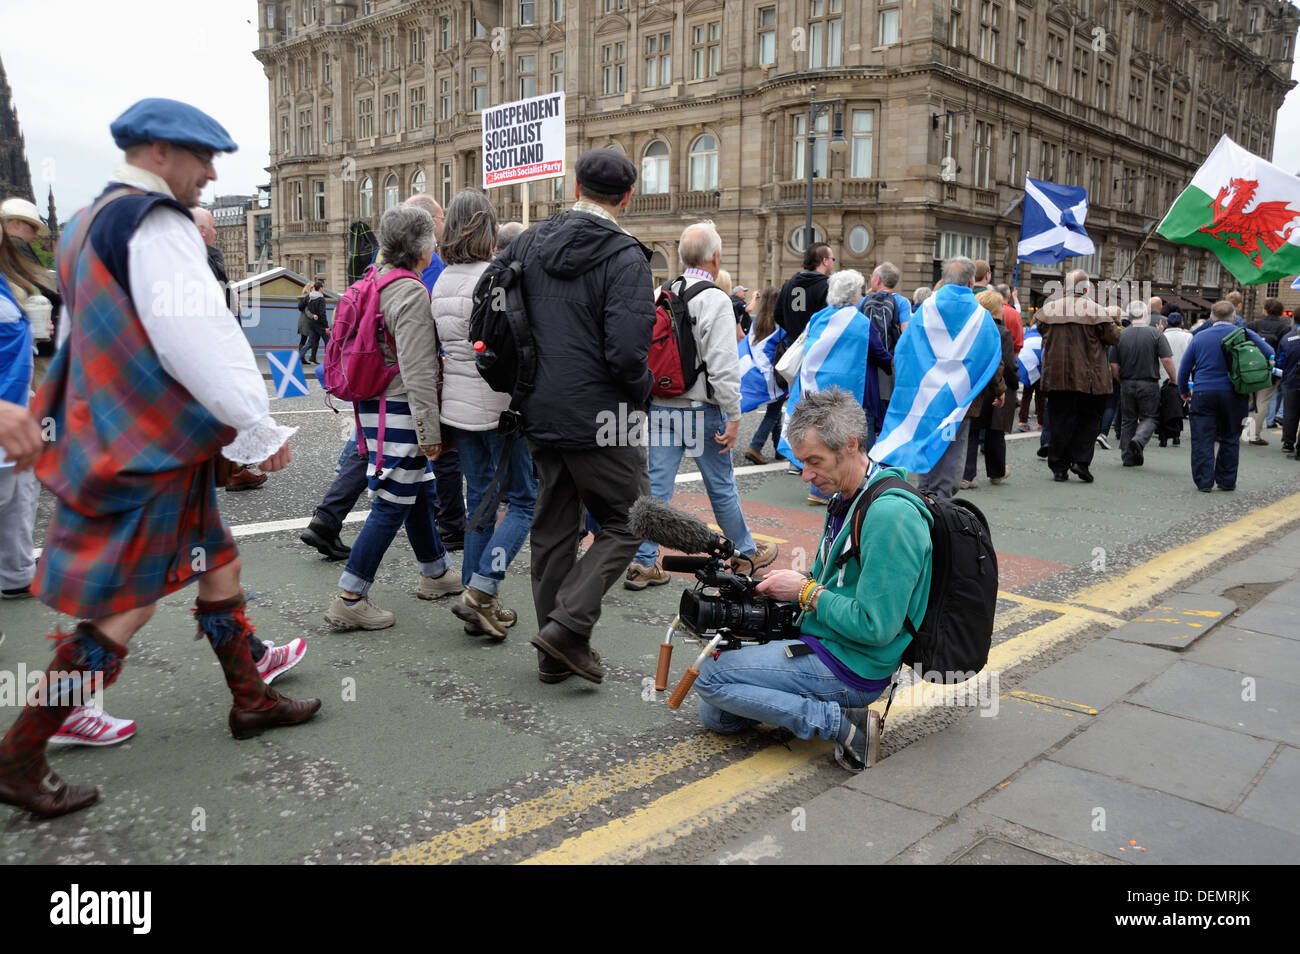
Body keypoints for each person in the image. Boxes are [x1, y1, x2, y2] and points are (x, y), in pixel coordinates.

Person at [0, 98, 319, 819]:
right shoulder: (157, 224)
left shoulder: (81, 223)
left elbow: (92, 338)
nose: (210, 173)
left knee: (220, 563)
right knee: (128, 608)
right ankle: (20, 752)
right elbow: (196, 337)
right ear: (156, 153)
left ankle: (251, 699)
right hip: (154, 443)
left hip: (125, 434)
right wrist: (257, 428)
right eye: (200, 157)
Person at [695, 387, 933, 772]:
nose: (806, 475)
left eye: (814, 461)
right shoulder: (849, 496)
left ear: (850, 445)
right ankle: (815, 704)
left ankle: (844, 723)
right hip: (826, 640)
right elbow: (835, 579)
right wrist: (792, 585)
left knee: (711, 678)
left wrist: (805, 591)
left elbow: (876, 626)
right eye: (801, 462)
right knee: (717, 715)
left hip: (855, 665)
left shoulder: (891, 517)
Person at [500, 147, 654, 684]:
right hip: (602, 414)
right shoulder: (627, 256)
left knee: (553, 529)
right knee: (630, 520)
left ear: (575, 186)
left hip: (537, 405)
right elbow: (628, 353)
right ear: (627, 197)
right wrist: (642, 395)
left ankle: (554, 653)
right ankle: (567, 628)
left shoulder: (526, 241)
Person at [323, 203, 461, 630]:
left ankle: (435, 571)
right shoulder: (412, 291)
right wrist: (430, 431)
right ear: (420, 247)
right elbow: (420, 370)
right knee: (392, 501)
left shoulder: (373, 281)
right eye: (432, 240)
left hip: (371, 404)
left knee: (414, 488)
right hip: (400, 407)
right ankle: (351, 594)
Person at [627, 221, 778, 584]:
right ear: (715, 257)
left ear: (681, 257)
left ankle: (644, 562)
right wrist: (734, 414)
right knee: (720, 485)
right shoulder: (715, 299)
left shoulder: (661, 292)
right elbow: (724, 365)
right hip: (701, 410)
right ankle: (744, 554)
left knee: (658, 491)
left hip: (663, 405)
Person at [432, 189, 535, 639]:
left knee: (480, 502)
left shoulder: (441, 281)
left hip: (457, 405)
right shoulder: (496, 279)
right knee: (524, 500)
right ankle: (483, 588)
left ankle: (476, 602)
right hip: (500, 408)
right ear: (488, 228)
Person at [782, 268, 892, 502]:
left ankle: (818, 491)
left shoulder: (818, 317)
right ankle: (856, 492)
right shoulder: (860, 322)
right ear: (854, 294)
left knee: (822, 441)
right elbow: (879, 353)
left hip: (818, 390)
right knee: (860, 442)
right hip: (854, 393)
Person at [913, 257, 1003, 499]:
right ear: (971, 282)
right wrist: (999, 389)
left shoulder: (926, 309)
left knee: (930, 438)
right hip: (962, 393)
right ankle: (941, 495)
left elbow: (908, 348)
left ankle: (925, 489)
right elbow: (991, 356)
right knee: (953, 444)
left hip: (929, 390)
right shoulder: (980, 314)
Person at [404, 193, 464, 550]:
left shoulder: (379, 270)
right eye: (439, 219)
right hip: (433, 373)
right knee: (441, 451)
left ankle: (330, 515)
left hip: (393, 379)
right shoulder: (435, 270)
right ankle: (451, 522)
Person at [1179, 300, 1274, 492]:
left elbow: (1184, 369)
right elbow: (1270, 353)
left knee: (1202, 438)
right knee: (1230, 437)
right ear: (1234, 317)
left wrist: (1183, 391)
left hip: (1204, 392)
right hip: (1235, 393)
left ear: (1211, 318)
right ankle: (1226, 480)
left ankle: (1204, 482)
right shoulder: (1244, 333)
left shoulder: (1199, 337)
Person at [1036, 269, 1120, 483]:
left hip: (1057, 375)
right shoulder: (1097, 310)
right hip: (1090, 377)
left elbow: (1041, 330)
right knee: (1089, 420)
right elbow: (1113, 338)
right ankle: (1080, 462)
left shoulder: (1050, 309)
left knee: (1058, 420)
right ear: (1085, 288)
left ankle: (1059, 467)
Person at [1110, 300, 1177, 467]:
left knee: (1128, 420)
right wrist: (1174, 379)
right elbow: (1167, 359)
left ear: (1130, 317)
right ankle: (1139, 440)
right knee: (1151, 417)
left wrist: (1120, 379)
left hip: (1127, 382)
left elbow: (1113, 365)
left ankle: (1127, 457)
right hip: (1148, 382)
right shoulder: (1156, 334)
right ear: (1146, 316)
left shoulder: (1120, 335)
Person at [961, 290, 1016, 487]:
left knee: (971, 431)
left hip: (972, 385)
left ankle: (966, 474)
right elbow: (1007, 364)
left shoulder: (967, 328)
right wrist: (1012, 383)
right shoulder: (1002, 332)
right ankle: (997, 472)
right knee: (995, 431)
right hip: (994, 385)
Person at [741, 286, 786, 465]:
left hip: (758, 371)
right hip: (773, 374)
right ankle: (755, 446)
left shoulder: (757, 321)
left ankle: (778, 447)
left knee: (774, 409)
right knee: (774, 411)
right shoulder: (779, 322)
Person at [1245, 297, 1290, 445]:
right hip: (1270, 370)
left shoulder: (1254, 325)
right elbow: (1284, 350)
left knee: (1246, 401)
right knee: (1262, 402)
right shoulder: (1284, 328)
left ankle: (1239, 431)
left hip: (1249, 368)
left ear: (1265, 310)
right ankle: (1254, 436)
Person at [775, 242, 833, 342]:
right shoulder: (827, 285)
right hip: (815, 346)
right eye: (833, 259)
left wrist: (793, 331)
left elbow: (777, 314)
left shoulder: (788, 284)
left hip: (792, 346)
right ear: (825, 261)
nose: (833, 263)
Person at [1156, 311, 1192, 447]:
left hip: (1163, 375)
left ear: (1167, 323)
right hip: (1183, 376)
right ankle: (1176, 435)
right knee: (1180, 407)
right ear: (1181, 323)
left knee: (1163, 406)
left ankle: (1163, 436)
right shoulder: (1188, 337)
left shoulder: (1161, 336)